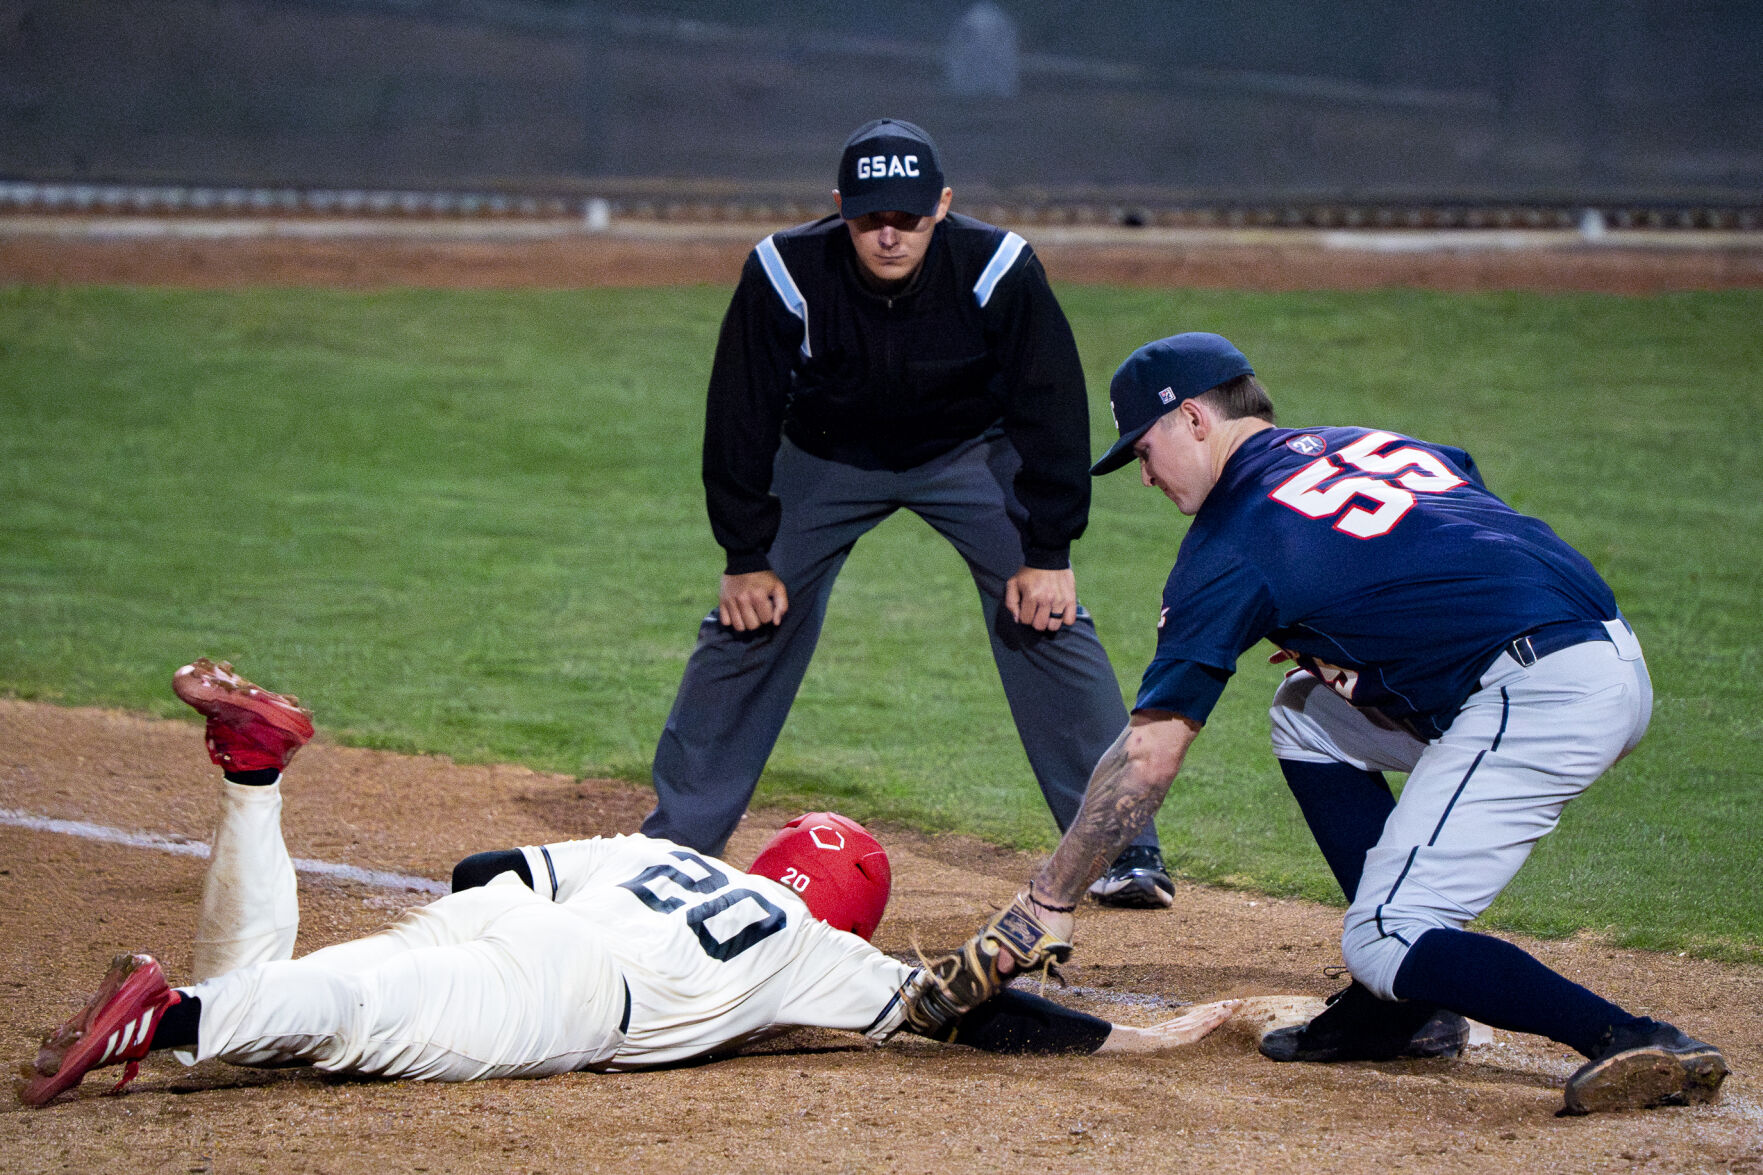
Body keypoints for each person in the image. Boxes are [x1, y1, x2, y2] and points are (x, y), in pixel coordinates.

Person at [899, 333, 1729, 1116]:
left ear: (1192, 417)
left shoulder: (1231, 539)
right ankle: (1393, 1015)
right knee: (1308, 711)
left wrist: (1046, 901)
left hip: (1538, 697)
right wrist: (1352, 633)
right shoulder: (1368, 441)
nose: (1143, 477)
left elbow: (1148, 757)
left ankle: (1633, 1037)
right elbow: (1456, 518)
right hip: (1605, 656)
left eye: (1142, 451)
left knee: (1385, 933)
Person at [18, 659, 1232, 1108]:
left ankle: (251, 777)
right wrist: (1133, 1043)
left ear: (768, 860)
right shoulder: (819, 953)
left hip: (517, 915)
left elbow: (480, 870)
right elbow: (961, 1010)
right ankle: (167, 1017)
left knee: (303, 991)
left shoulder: (671, 856)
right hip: (572, 995)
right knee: (345, 1025)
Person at [643, 117, 1172, 908]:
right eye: (869, 218)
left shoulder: (996, 265)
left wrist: (1048, 551)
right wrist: (744, 554)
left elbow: (1050, 407)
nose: (889, 236)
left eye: (909, 218)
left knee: (1046, 614)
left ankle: (1121, 849)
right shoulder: (784, 270)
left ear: (944, 205)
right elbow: (739, 415)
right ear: (838, 208)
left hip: (969, 452)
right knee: (752, 613)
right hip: (824, 457)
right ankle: (677, 842)